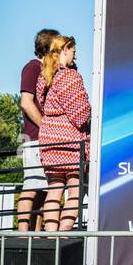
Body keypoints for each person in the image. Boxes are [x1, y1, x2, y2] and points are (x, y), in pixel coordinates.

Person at [36, 35, 92, 232]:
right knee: (75, 189)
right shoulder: (69, 76)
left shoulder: (44, 77)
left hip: (49, 142)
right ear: (64, 50)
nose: (74, 58)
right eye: (73, 52)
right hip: (70, 142)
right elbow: (81, 114)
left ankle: (51, 235)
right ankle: (64, 232)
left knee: (54, 189)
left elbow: (43, 106)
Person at [17, 28, 58, 231]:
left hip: (47, 139)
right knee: (32, 187)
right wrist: (46, 127)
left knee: (44, 190)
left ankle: (37, 237)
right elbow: (26, 102)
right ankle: (22, 236)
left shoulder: (51, 71)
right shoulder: (32, 68)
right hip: (35, 139)